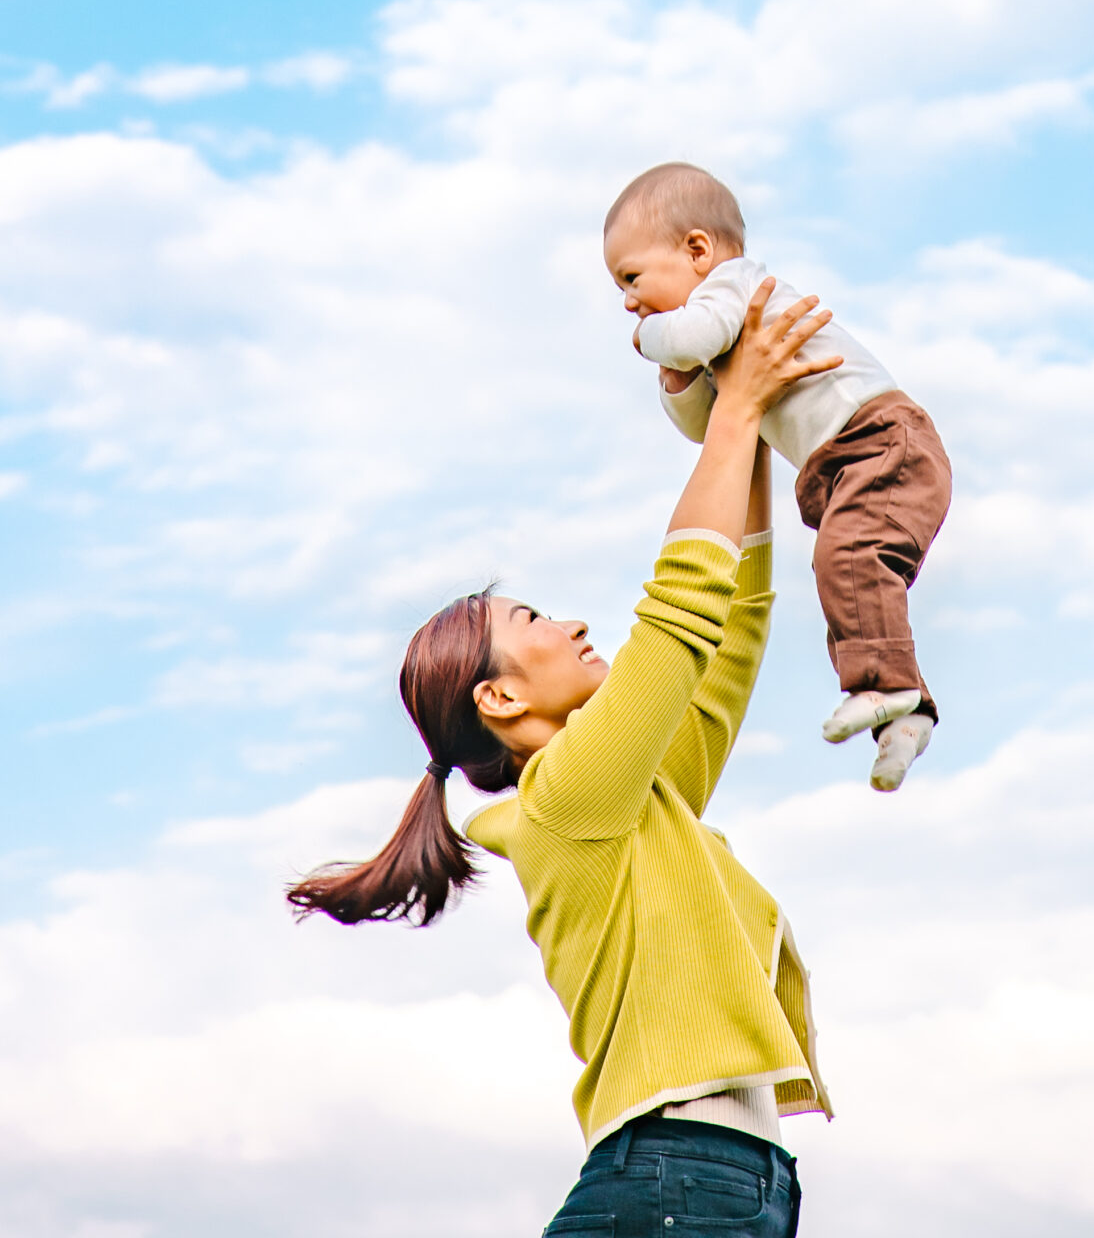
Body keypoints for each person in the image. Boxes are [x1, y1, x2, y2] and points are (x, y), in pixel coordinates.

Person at [287, 281, 836, 1238]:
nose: (573, 620)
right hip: (674, 1179)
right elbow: (679, 614)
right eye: (532, 620)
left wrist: (732, 416)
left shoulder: (634, 799)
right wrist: (737, 407)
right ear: (497, 699)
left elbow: (730, 626)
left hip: (723, 1183)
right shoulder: (569, 799)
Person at [604, 161, 952, 791]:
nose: (628, 302)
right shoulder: (721, 327)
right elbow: (704, 427)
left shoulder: (734, 288)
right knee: (849, 575)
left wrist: (655, 339)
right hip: (850, 459)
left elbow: (689, 336)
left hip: (880, 440)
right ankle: (905, 714)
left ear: (698, 250)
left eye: (631, 278)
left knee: (847, 559)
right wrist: (681, 378)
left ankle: (884, 684)